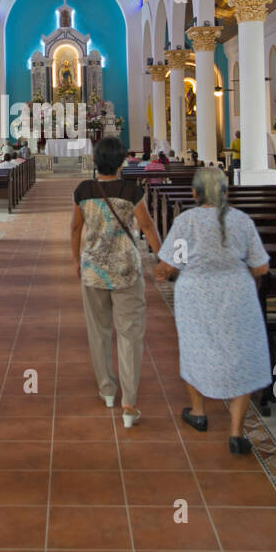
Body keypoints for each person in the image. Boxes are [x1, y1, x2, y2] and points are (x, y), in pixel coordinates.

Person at [154, 166, 272, 455]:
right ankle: (236, 433)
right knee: (240, 353)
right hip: (237, 294)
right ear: (226, 193)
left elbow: (170, 266)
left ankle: (199, 412)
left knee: (196, 348)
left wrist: (160, 271)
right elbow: (261, 266)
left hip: (195, 295)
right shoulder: (242, 221)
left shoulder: (185, 222)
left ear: (194, 194)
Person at [71, 135, 163, 429]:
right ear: (122, 161)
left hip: (94, 269)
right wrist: (162, 258)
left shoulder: (84, 190)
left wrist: (76, 261)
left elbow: (76, 228)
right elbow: (146, 225)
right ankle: (129, 403)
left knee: (99, 333)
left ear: (96, 161)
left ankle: (107, 390)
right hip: (126, 271)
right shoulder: (131, 190)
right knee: (130, 334)